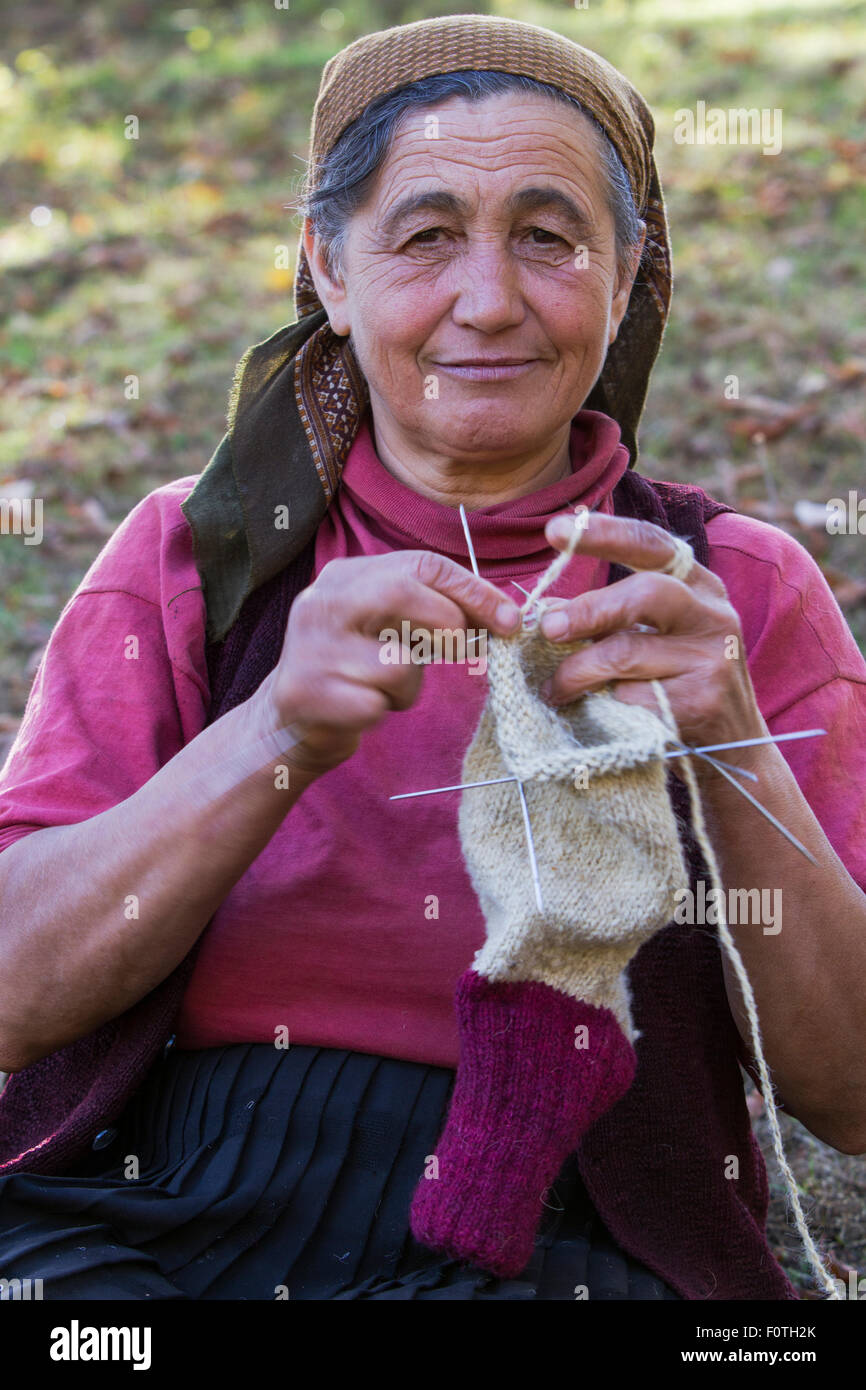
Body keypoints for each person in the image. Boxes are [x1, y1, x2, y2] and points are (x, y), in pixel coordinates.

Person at [0, 14, 864, 1302]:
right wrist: (275, 731)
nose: (488, 299)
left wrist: (731, 739)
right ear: (329, 271)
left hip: (574, 1240)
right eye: (424, 236)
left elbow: (850, 1091)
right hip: (144, 1222)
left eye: (548, 238)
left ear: (627, 277)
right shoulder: (203, 555)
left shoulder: (734, 594)